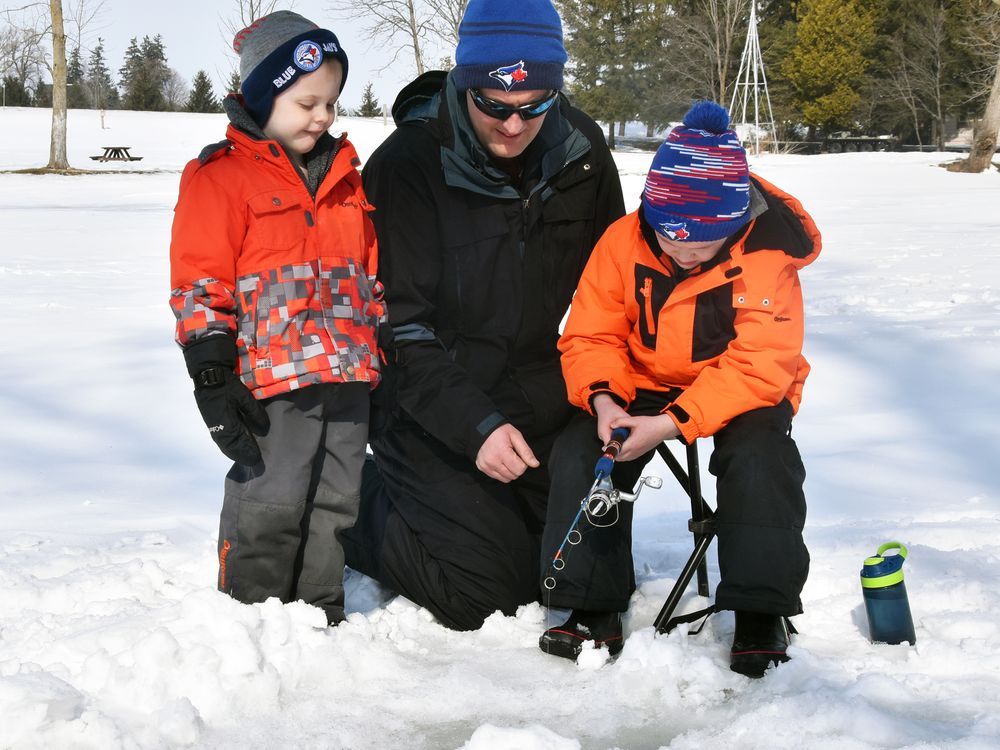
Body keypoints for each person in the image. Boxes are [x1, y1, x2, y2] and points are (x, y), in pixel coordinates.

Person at [339, 0, 625, 631]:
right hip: (432, 407)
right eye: (495, 104)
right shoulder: (408, 167)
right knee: (488, 595)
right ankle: (351, 501)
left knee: (564, 569)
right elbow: (400, 330)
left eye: (535, 105)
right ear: (465, 82)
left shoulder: (581, 153)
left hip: (541, 396)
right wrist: (477, 428)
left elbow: (614, 287)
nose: (515, 124)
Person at [537, 101, 820, 678]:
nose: (683, 251)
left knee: (763, 459)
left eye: (701, 243)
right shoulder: (623, 240)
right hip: (640, 380)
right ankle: (593, 602)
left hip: (739, 389)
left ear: (734, 223)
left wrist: (671, 423)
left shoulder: (768, 256)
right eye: (671, 238)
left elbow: (762, 364)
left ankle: (762, 610)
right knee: (581, 452)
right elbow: (591, 332)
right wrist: (603, 398)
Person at [169, 11, 383, 626]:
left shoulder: (348, 180)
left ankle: (320, 611)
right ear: (265, 95)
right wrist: (211, 367)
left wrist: (382, 339)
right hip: (274, 377)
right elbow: (198, 281)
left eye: (332, 105)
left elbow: (371, 276)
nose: (323, 117)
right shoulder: (222, 177)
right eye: (307, 102)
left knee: (338, 498)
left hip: (347, 373)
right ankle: (254, 616)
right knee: (273, 496)